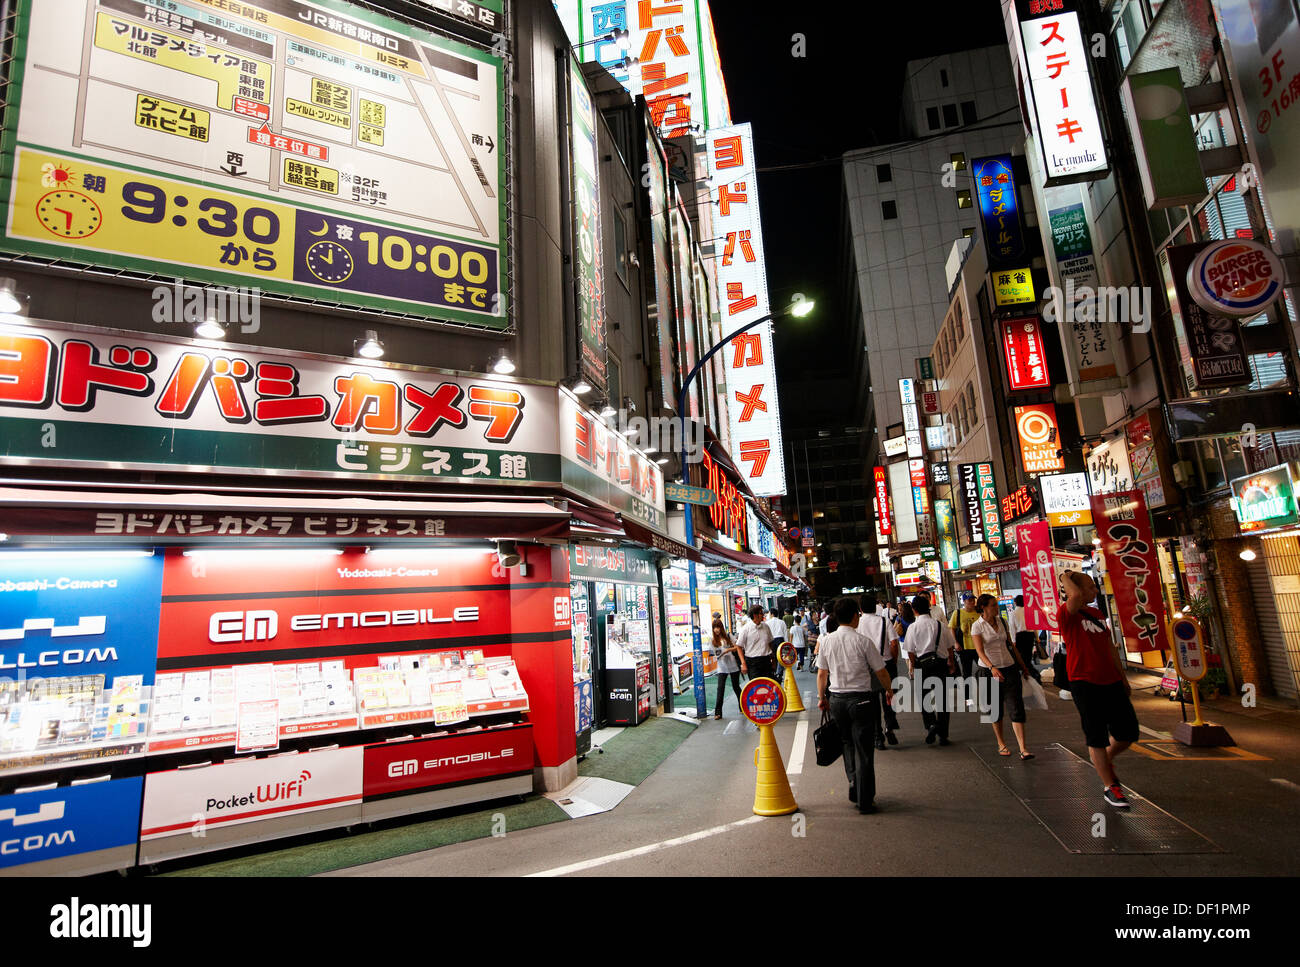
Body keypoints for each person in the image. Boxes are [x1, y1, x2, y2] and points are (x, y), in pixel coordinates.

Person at [1060, 570, 1139, 808]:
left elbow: (1109, 647)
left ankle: (1104, 758)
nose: (1096, 591)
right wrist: (1065, 577)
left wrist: (1122, 678)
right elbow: (1072, 596)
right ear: (1078, 591)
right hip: (1084, 682)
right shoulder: (1067, 613)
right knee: (1095, 735)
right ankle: (1110, 786)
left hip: (1111, 680)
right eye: (1091, 587)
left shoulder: (1096, 613)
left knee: (1128, 733)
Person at [816, 597, 893, 814]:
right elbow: (881, 671)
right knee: (865, 749)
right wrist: (889, 690)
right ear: (853, 616)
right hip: (862, 700)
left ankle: (853, 780)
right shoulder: (863, 641)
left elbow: (822, 673)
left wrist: (822, 698)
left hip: (837, 700)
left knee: (846, 743)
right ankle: (865, 799)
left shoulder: (827, 641)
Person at [970, 593, 1034, 760]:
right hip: (988, 671)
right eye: (993, 605)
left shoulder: (1002, 622)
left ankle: (1023, 748)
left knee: (1016, 707)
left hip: (1009, 667)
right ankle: (1001, 743)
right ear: (983, 607)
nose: (996, 608)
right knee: (994, 709)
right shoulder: (977, 626)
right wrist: (991, 667)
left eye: (996, 605)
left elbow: (1011, 645)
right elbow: (979, 651)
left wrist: (1023, 665)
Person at [903, 595, 957, 745]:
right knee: (942, 700)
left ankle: (931, 724)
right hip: (941, 664)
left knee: (924, 698)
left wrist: (913, 666)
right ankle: (943, 735)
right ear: (929, 607)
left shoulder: (913, 627)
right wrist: (951, 662)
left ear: (914, 610)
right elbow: (949, 646)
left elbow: (910, 650)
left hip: (922, 664)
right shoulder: (940, 625)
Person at [865, 592, 900, 748]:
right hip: (886, 664)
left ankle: (878, 737)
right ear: (876, 607)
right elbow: (894, 643)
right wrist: (893, 659)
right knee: (890, 698)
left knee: (872, 703)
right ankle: (889, 728)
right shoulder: (884, 621)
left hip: (868, 669)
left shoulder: (858, 624)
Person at [711, 619, 746, 720]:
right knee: (720, 688)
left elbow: (737, 647)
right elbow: (715, 653)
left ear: (721, 627)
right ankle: (718, 713)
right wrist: (720, 653)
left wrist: (727, 650)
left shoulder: (728, 635)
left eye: (718, 627)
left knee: (736, 687)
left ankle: (742, 707)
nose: (716, 630)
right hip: (722, 667)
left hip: (733, 665)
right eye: (714, 628)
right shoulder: (712, 640)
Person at [949, 593, 981, 692]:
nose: (972, 602)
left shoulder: (979, 612)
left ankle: (987, 694)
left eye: (973, 600)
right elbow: (952, 628)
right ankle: (968, 698)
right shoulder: (957, 613)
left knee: (984, 670)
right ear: (964, 602)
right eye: (969, 600)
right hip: (964, 648)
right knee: (967, 673)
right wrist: (955, 643)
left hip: (979, 647)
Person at [737, 604, 775, 681]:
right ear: (755, 615)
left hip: (766, 660)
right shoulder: (746, 629)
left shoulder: (766, 626)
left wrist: (773, 659)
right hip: (752, 662)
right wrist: (743, 664)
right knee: (756, 687)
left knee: (769, 685)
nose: (763, 615)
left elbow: (770, 643)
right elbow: (739, 646)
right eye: (761, 613)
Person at [1008, 594, 1041, 683]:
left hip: (1020, 636)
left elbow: (1012, 628)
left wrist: (1013, 640)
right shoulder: (1030, 611)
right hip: (1030, 635)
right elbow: (1035, 626)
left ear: (1015, 603)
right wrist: (1037, 637)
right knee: (1027, 656)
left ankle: (1033, 675)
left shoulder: (1013, 613)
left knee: (1021, 657)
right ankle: (1031, 675)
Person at [764, 608, 788, 683]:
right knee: (780, 657)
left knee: (773, 657)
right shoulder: (781, 622)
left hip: (771, 640)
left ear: (771, 614)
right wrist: (787, 643)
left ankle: (774, 673)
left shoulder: (767, 623)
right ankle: (779, 673)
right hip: (780, 639)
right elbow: (785, 633)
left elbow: (766, 634)